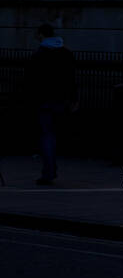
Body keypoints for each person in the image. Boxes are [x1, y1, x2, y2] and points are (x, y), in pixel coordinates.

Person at [24, 24, 77, 185]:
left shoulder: (39, 55)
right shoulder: (66, 54)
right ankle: (51, 168)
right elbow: (72, 79)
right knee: (54, 134)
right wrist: (74, 99)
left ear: (41, 35)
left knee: (47, 135)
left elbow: (32, 82)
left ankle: (49, 171)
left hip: (44, 100)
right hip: (62, 100)